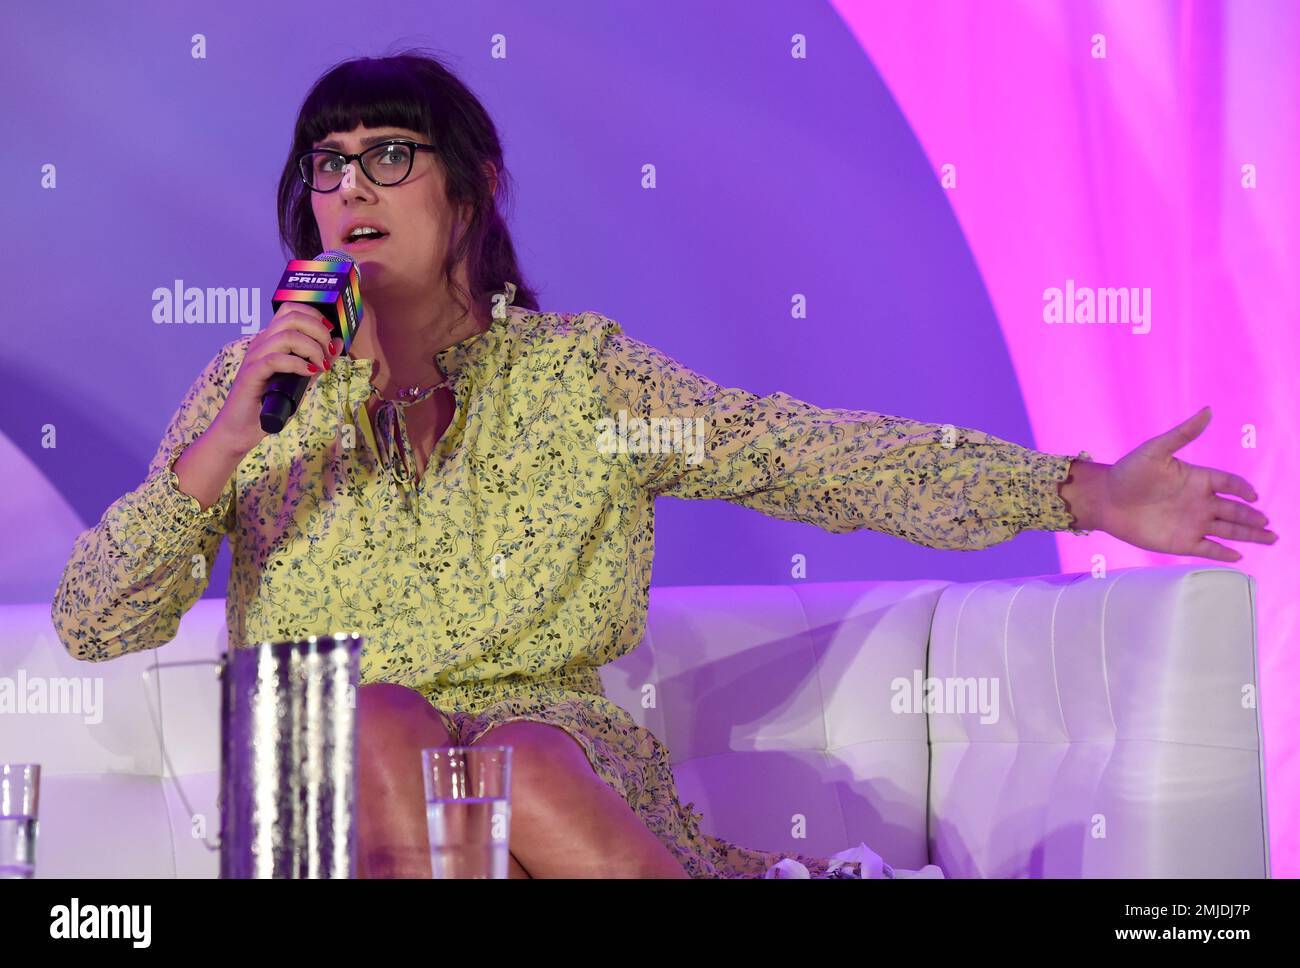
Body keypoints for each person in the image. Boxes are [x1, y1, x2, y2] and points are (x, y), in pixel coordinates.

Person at [50, 50, 1278, 879]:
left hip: (548, 762)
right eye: (326, 161)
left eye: (388, 154)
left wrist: (1077, 490)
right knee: (373, 718)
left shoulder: (583, 383)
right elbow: (95, 621)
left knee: (514, 761)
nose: (348, 183)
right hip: (316, 772)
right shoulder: (254, 389)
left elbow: (803, 459)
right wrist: (224, 447)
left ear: (467, 193)